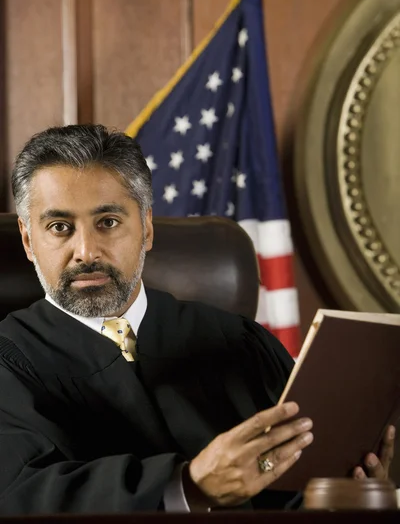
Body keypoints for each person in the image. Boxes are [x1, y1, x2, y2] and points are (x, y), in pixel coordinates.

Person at [0, 124, 394, 515]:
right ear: (28, 240)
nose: (85, 251)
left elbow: (293, 488)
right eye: (59, 227)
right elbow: (21, 496)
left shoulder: (238, 342)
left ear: (147, 228)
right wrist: (187, 488)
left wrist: (341, 492)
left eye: (108, 222)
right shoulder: (9, 363)